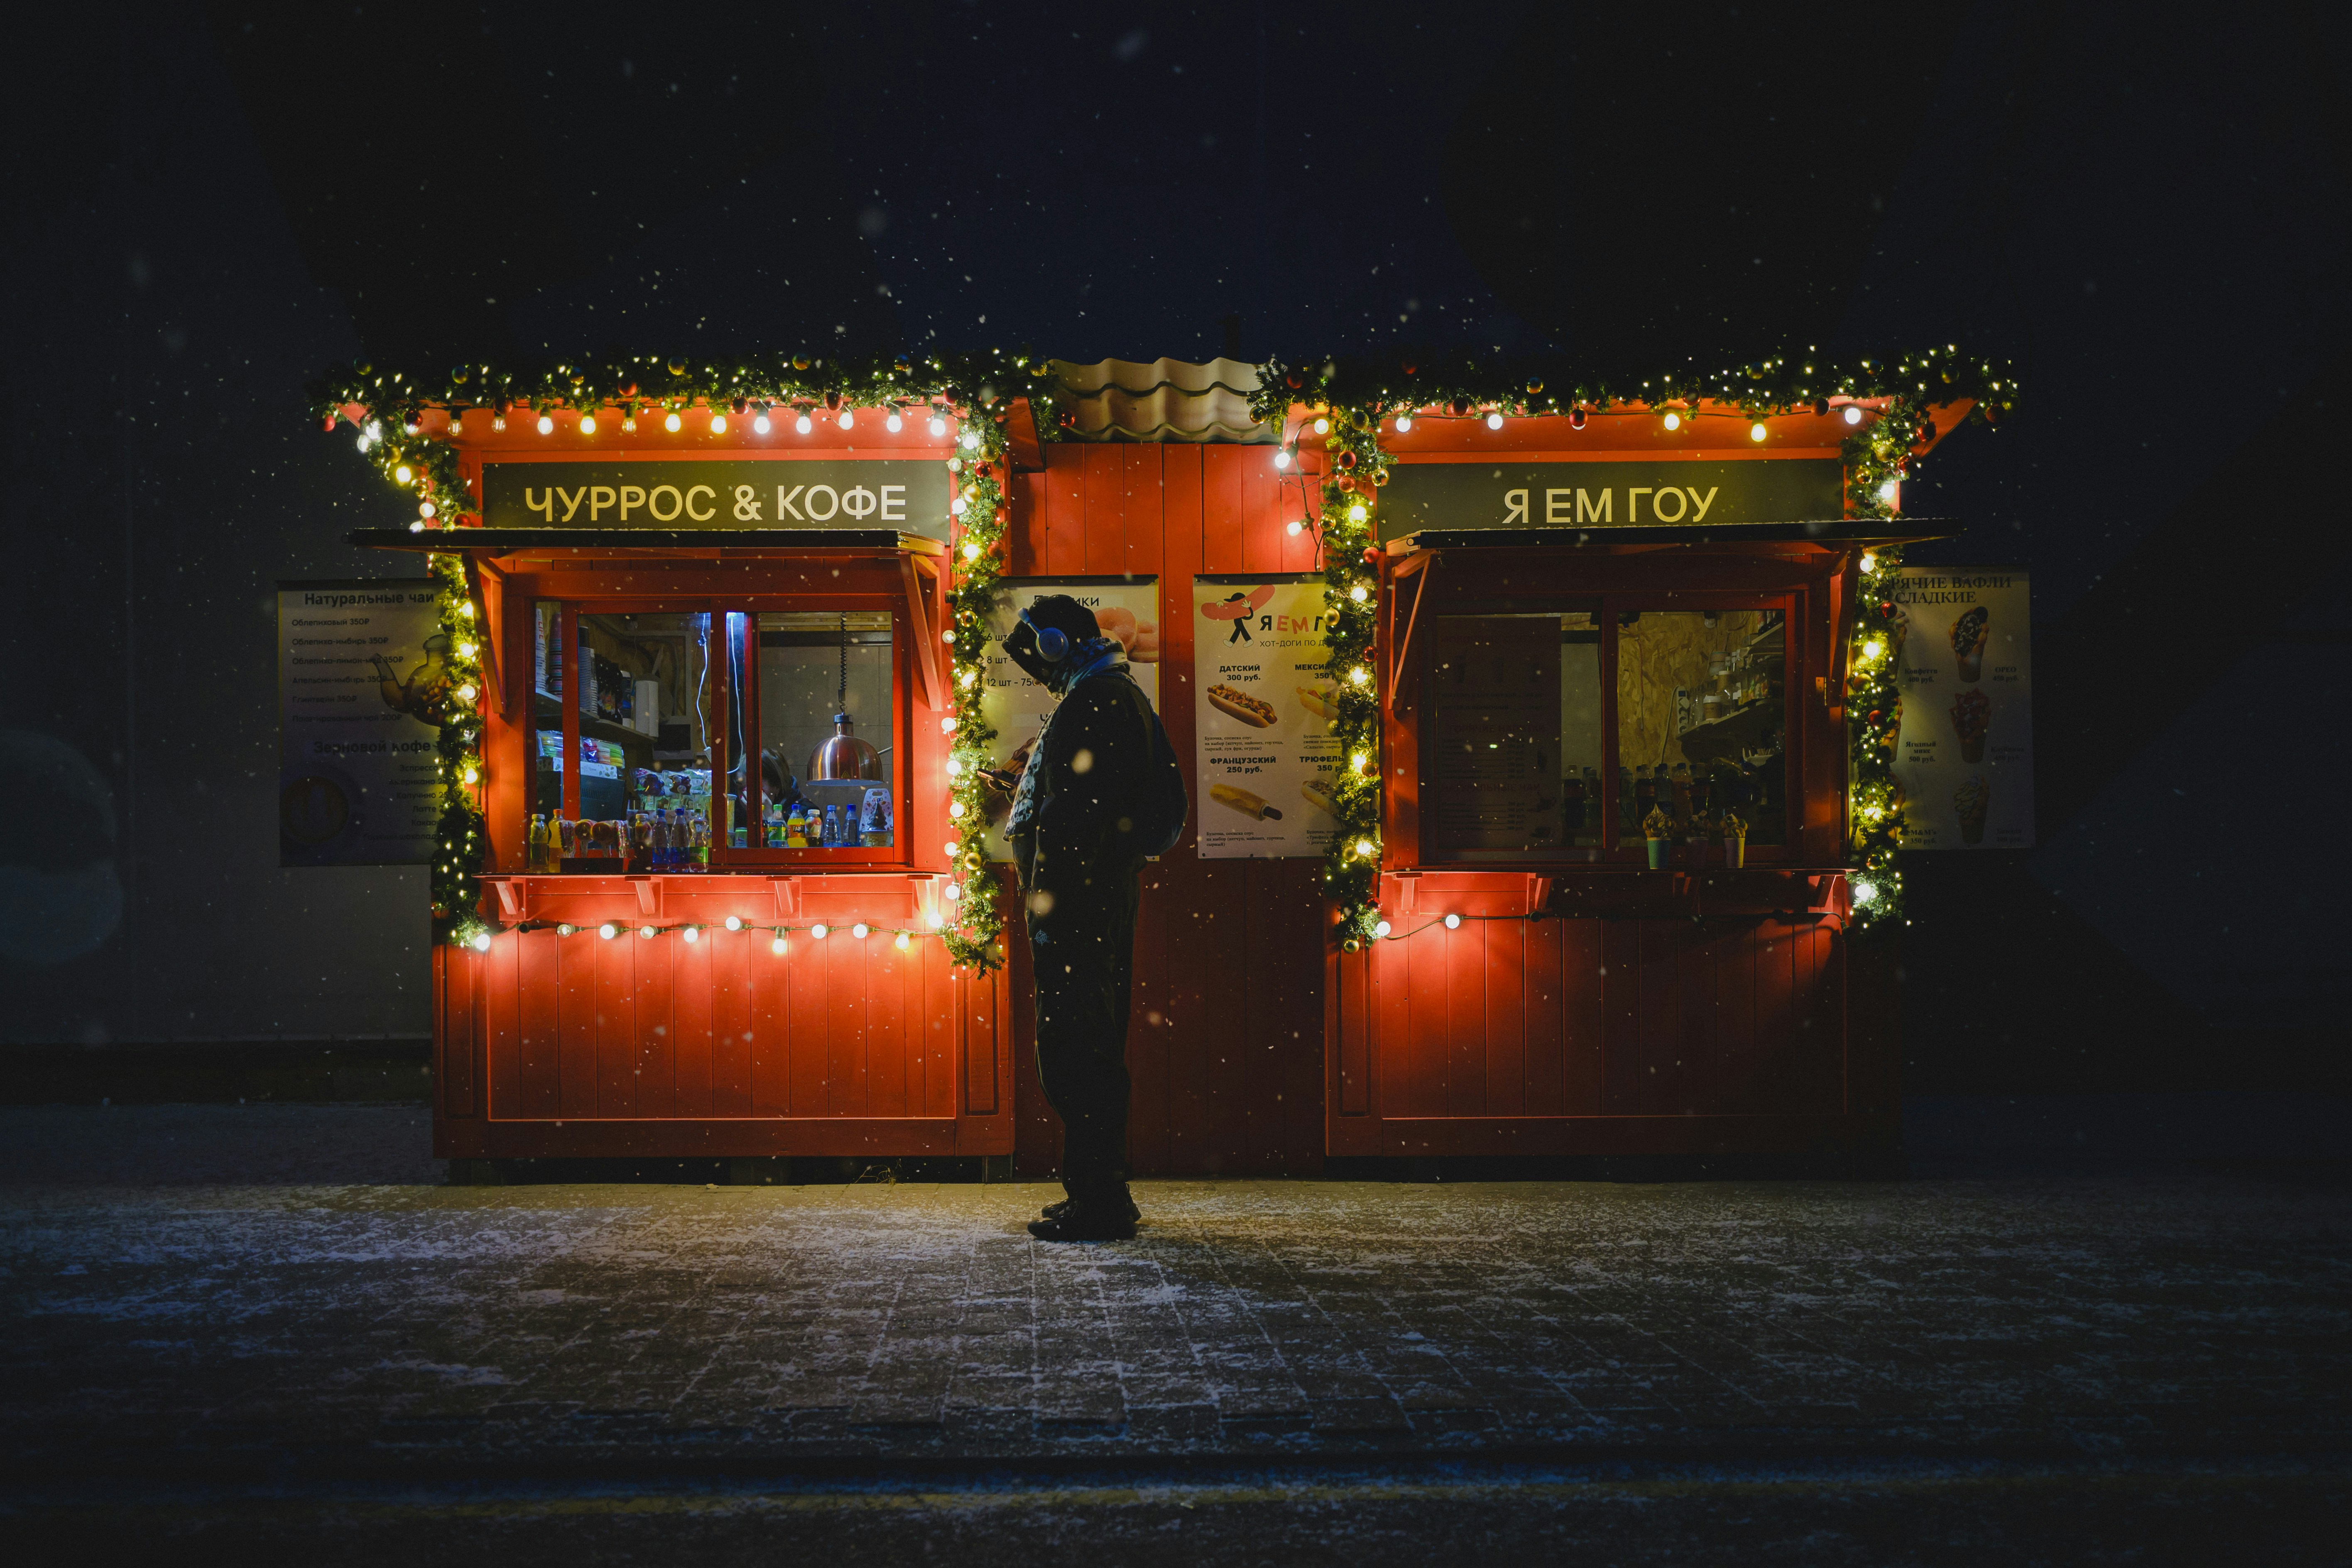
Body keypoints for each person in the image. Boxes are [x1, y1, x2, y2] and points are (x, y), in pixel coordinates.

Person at [998, 595, 1171, 1242]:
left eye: (1035, 658)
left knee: (1076, 1050)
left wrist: (1049, 909)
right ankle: (1101, 1193)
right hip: (1093, 904)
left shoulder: (1094, 700)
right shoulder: (1109, 690)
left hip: (1077, 909)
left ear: (1054, 645)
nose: (1037, 675)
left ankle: (1097, 1203)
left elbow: (1073, 821)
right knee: (1090, 1044)